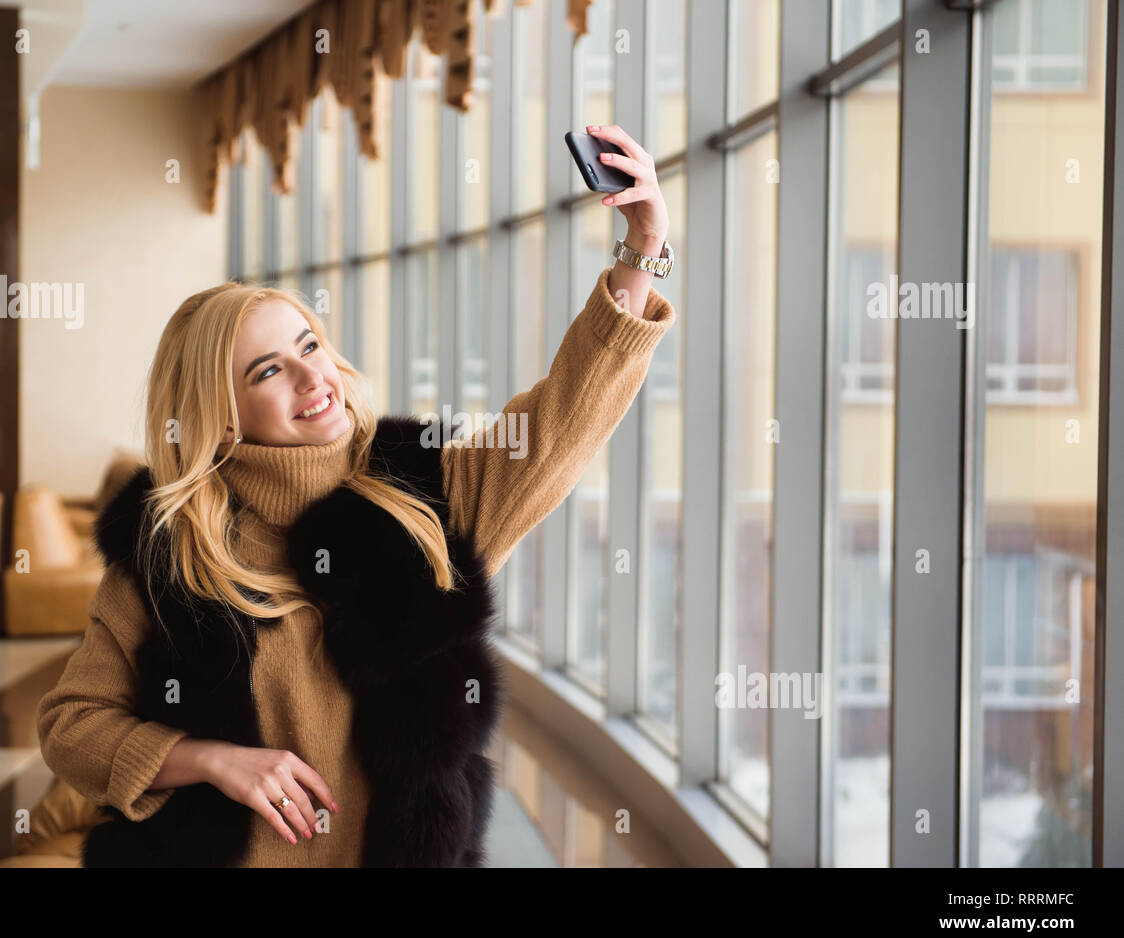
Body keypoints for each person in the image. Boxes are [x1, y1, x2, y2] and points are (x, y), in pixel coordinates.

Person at [35, 123, 677, 866]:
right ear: (219, 415)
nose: (313, 379)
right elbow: (72, 727)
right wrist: (209, 758)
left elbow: (565, 417)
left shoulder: (424, 494)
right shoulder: (171, 553)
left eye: (309, 345)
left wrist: (642, 247)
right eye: (268, 371)